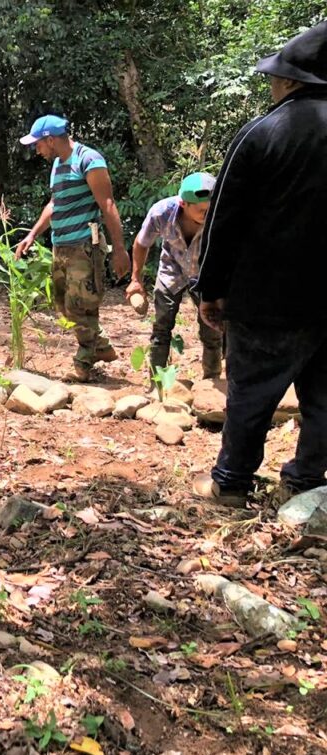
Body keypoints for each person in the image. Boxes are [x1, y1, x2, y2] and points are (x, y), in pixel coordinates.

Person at [192, 21, 327, 505]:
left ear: (292, 81)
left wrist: (210, 289)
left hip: (267, 297)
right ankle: (308, 477)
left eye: (274, 77)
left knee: (250, 391)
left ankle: (231, 483)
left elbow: (224, 220)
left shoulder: (264, 133)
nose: (270, 85)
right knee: (324, 397)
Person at [14, 114, 131, 381]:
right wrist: (32, 234)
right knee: (63, 306)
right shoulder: (57, 164)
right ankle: (101, 345)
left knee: (80, 305)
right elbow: (54, 204)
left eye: (38, 144)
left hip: (83, 247)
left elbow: (108, 205)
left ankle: (84, 361)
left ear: (51, 140)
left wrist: (120, 249)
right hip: (61, 246)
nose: (37, 150)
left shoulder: (89, 160)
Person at [127, 172, 223, 379]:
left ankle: (212, 380)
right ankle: (158, 383)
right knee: (161, 328)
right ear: (183, 204)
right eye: (201, 211)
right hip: (172, 270)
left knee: (213, 329)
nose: (207, 215)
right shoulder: (161, 213)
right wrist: (136, 279)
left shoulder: (221, 216)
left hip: (207, 273)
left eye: (210, 209)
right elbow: (142, 243)